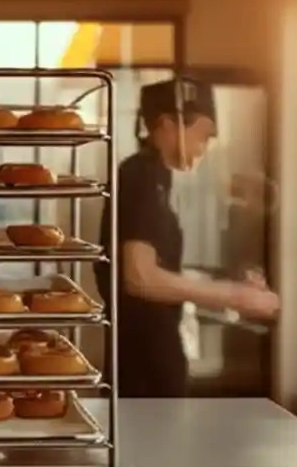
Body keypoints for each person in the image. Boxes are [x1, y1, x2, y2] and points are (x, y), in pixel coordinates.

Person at [98, 77, 280, 398]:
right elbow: (139, 277)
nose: (205, 147)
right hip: (141, 361)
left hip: (153, 350)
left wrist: (227, 282)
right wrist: (232, 295)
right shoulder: (139, 176)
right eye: (204, 135)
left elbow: (158, 269)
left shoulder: (157, 178)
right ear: (168, 124)